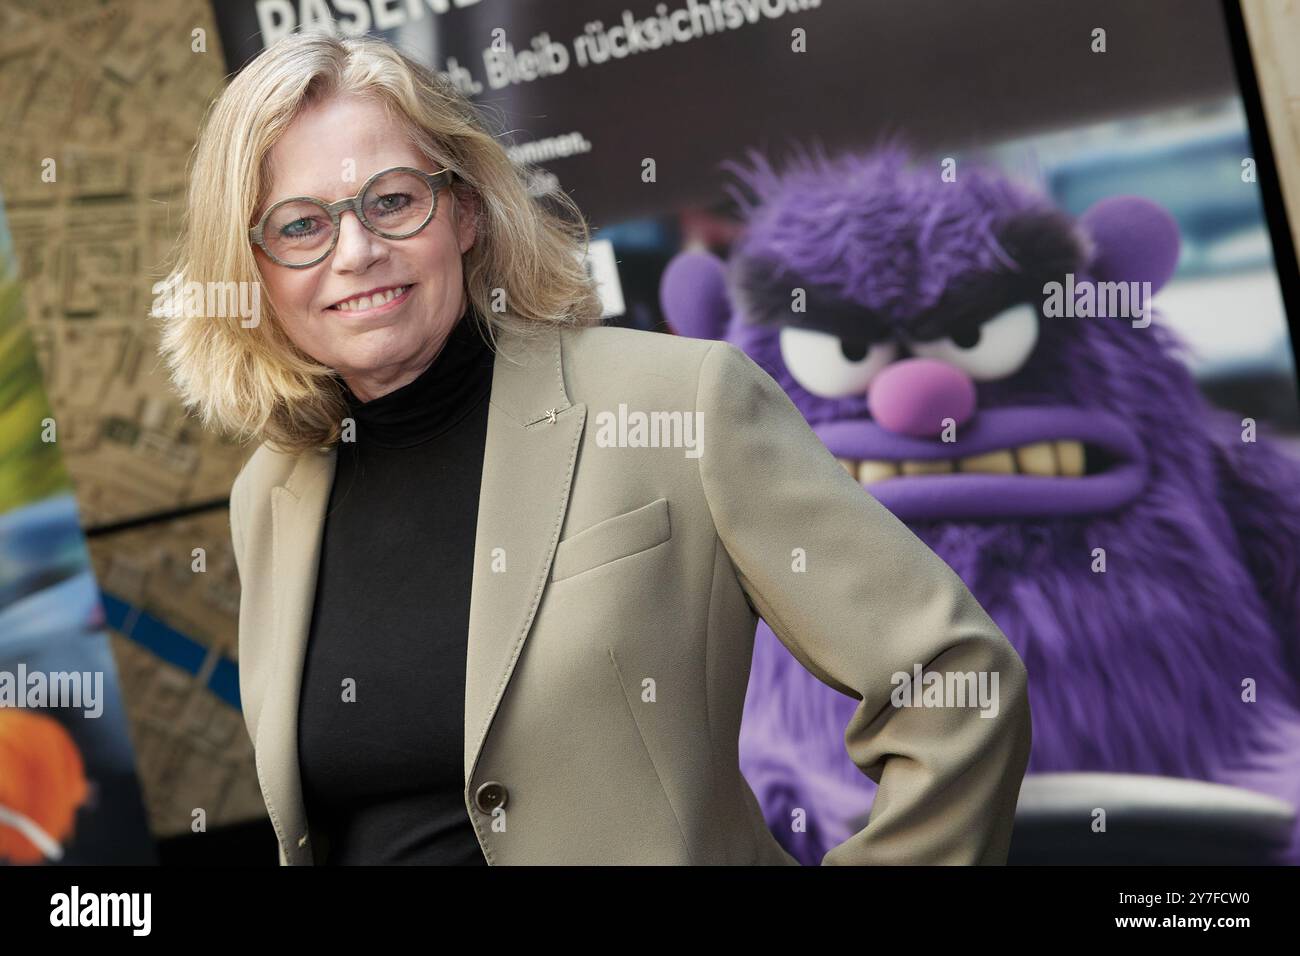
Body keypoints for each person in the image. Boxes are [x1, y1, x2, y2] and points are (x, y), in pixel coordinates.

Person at [156, 31, 1031, 866]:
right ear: (252, 269)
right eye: (301, 225)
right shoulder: (268, 496)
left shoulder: (682, 403)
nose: (357, 251)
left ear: (462, 211)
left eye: (391, 200)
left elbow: (955, 683)